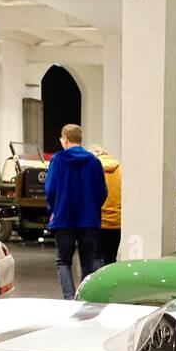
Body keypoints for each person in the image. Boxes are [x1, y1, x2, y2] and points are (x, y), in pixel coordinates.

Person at [45, 123, 107, 299]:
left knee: (63, 261)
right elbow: (102, 191)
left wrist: (54, 208)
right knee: (87, 263)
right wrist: (93, 208)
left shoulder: (57, 160)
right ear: (80, 140)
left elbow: (50, 190)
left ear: (64, 139)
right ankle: (83, 298)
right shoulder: (94, 161)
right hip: (89, 220)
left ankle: (69, 298)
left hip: (64, 219)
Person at [89, 144, 122, 270]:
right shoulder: (120, 168)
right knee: (111, 257)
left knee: (96, 256)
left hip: (99, 220)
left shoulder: (93, 168)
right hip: (117, 221)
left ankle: (98, 286)